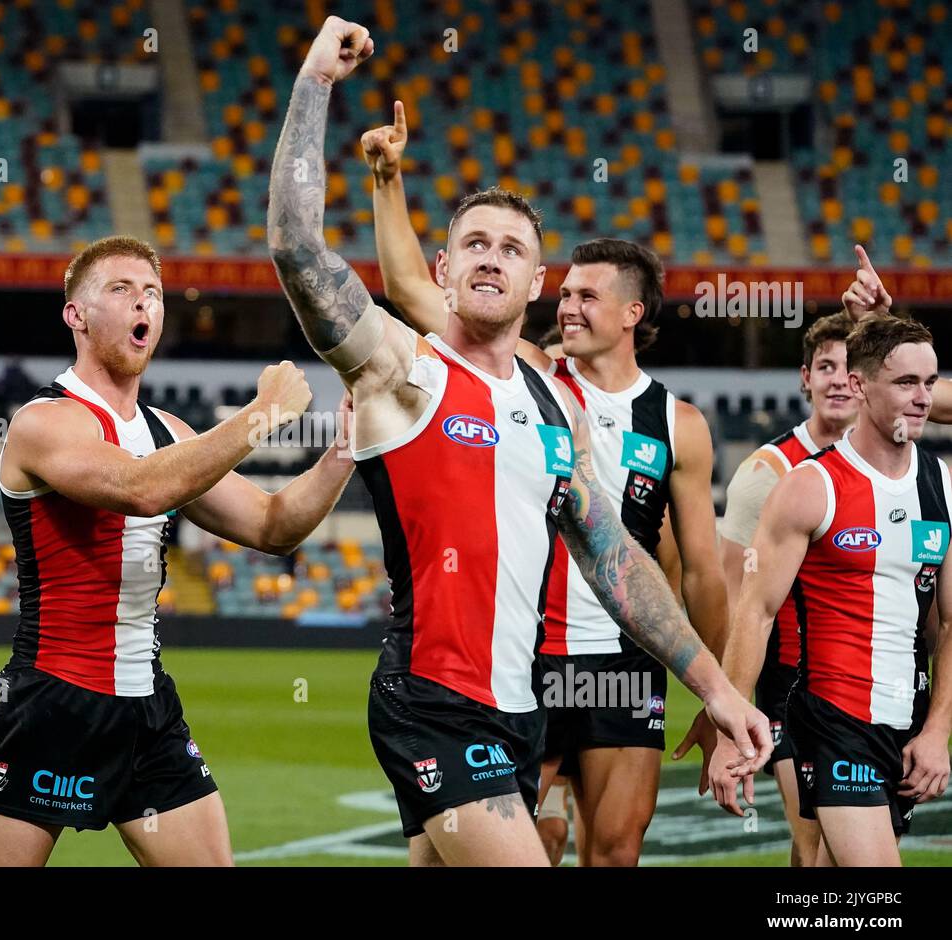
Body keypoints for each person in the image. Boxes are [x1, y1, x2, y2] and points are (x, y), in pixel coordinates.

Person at [266, 16, 770, 867]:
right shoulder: (401, 367)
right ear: (442, 271)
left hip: (518, 708)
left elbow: (613, 557)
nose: (491, 259)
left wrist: (717, 690)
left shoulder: (549, 402)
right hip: (431, 699)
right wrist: (315, 80)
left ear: (538, 280)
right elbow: (294, 245)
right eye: (473, 245)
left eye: (511, 248)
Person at [361, 102, 728, 867]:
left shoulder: (676, 422)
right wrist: (389, 181)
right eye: (563, 293)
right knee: (533, 842)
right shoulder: (525, 373)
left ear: (633, 313)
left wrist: (718, 691)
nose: (567, 306)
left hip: (627, 661)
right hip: (534, 655)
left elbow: (699, 567)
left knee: (616, 851)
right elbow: (404, 283)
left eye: (587, 296)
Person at [0, 235, 355, 866]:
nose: (144, 303)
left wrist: (345, 447)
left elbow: (275, 526)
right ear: (76, 315)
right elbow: (143, 489)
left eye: (153, 293)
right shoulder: (44, 422)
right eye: (121, 289)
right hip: (54, 702)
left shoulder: (169, 432)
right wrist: (261, 414)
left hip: (146, 707)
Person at [714, 314, 952, 866]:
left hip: (907, 718)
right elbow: (755, 612)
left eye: (929, 383)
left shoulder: (941, 485)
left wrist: (938, 729)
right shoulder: (808, 487)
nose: (922, 399)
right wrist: (728, 728)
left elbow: (949, 623)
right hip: (830, 718)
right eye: (905, 383)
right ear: (863, 385)